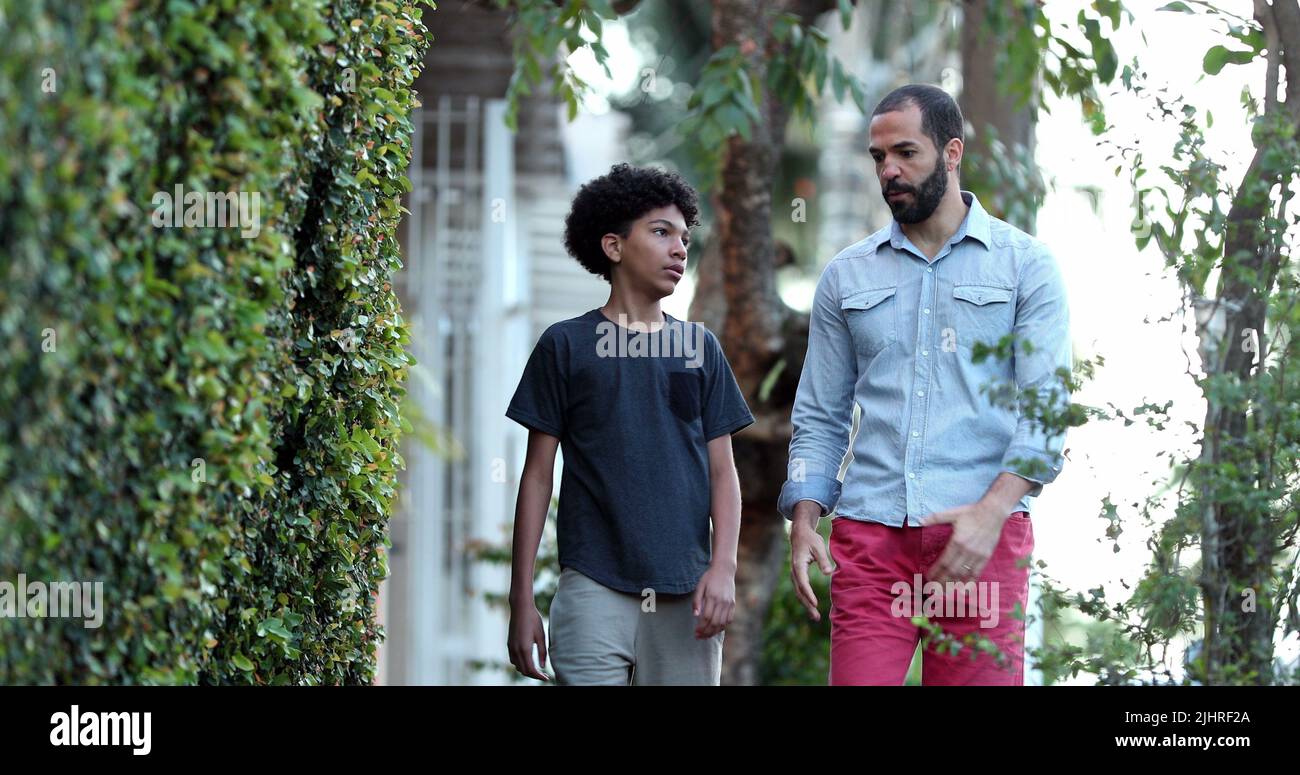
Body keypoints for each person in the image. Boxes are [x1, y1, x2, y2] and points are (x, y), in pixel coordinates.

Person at [780, 84, 1072, 685]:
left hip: (982, 538)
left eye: (906, 153)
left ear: (952, 152)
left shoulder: (1025, 266)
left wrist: (991, 513)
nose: (889, 170)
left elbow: (1046, 412)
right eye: (878, 157)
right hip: (870, 540)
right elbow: (821, 413)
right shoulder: (845, 276)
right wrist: (806, 514)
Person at [506, 163, 754, 685]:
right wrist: (522, 599)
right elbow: (536, 477)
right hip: (593, 588)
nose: (679, 248)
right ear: (614, 247)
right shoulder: (565, 346)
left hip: (687, 595)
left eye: (685, 237)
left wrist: (723, 569)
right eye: (661, 232)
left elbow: (723, 473)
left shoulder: (699, 348)